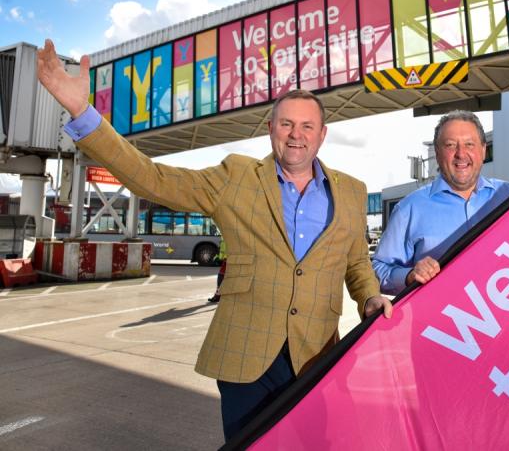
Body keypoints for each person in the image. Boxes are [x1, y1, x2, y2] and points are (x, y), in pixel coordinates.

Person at [37, 40, 392, 442]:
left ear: (322, 134)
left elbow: (357, 263)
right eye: (287, 124)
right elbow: (152, 178)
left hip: (316, 357)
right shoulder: (235, 177)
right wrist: (84, 114)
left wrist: (368, 297)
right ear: (271, 128)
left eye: (307, 126)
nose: (297, 135)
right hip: (246, 356)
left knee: (314, 445)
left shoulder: (352, 191)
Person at [372, 110, 509, 295]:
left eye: (469, 144)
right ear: (437, 152)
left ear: (483, 150)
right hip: (441, 321)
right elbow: (377, 269)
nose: (461, 154)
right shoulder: (409, 209)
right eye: (450, 145)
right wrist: (409, 275)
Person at [208, 237, 227, 303]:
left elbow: (224, 250)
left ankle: (218, 296)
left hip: (228, 260)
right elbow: (222, 250)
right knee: (222, 277)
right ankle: (218, 295)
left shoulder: (226, 236)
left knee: (221, 277)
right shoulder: (224, 236)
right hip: (227, 260)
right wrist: (217, 257)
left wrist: (219, 258)